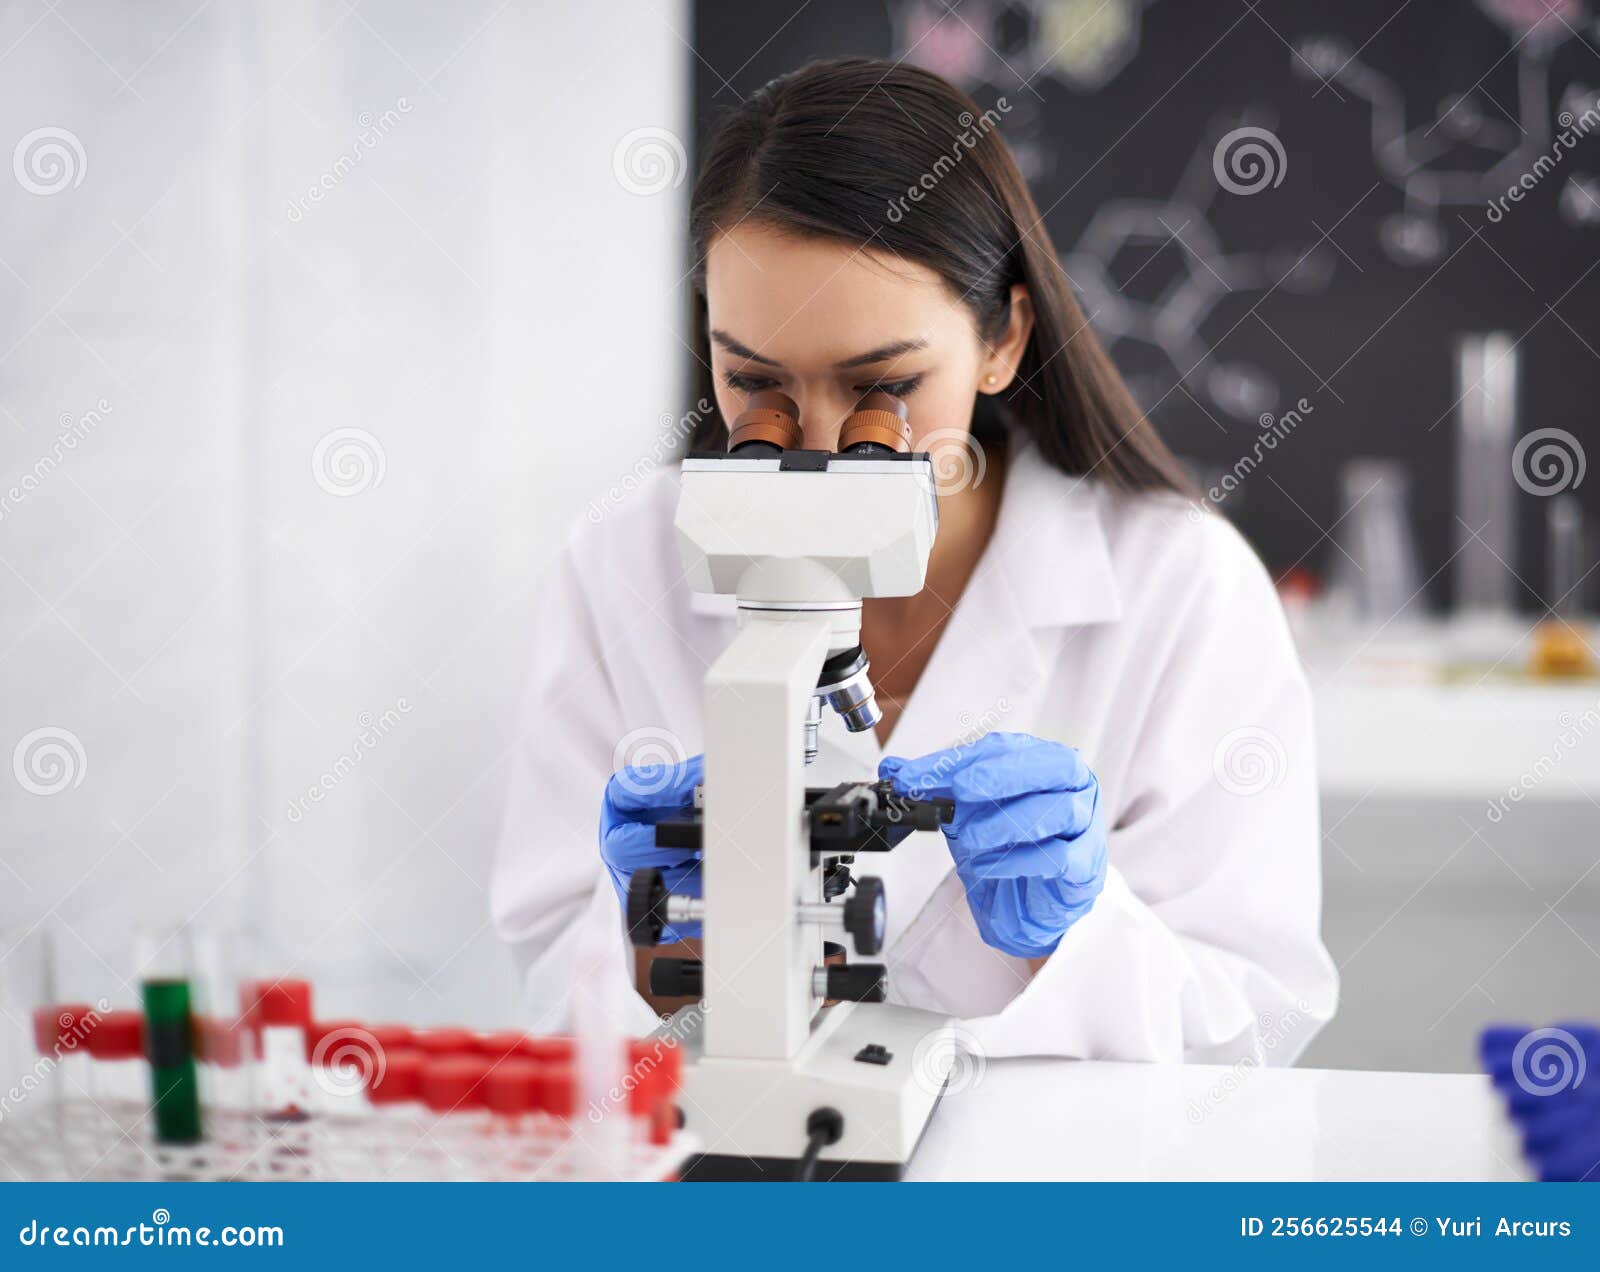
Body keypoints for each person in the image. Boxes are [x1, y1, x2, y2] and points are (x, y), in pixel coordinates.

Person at [493, 57, 1337, 1064]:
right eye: (752, 382)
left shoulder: (1179, 588)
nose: (812, 442)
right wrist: (654, 936)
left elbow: (1256, 1023)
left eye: (881, 388)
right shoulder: (621, 561)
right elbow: (549, 978)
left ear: (1003, 338)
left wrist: (1063, 934)